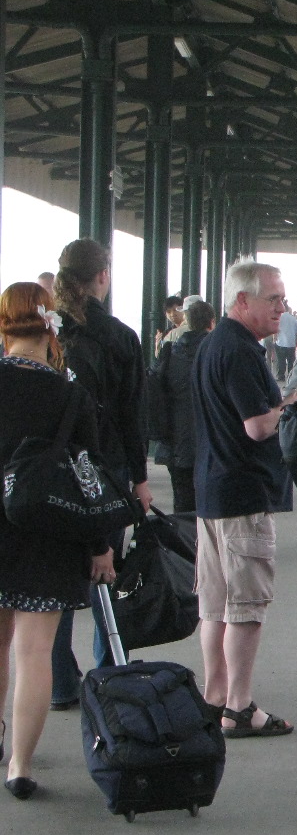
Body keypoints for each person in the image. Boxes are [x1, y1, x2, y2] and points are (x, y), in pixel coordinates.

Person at [0, 283, 117, 799]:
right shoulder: (70, 394)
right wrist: (100, 545)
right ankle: (20, 768)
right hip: (50, 532)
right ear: (50, 326)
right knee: (34, 652)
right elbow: (89, 476)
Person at [192, 260, 296, 738]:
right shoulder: (243, 352)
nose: (283, 307)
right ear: (242, 302)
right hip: (243, 494)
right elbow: (257, 426)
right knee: (247, 605)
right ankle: (240, 707)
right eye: (272, 299)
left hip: (212, 491)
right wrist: (287, 406)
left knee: (214, 605)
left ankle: (215, 697)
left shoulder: (211, 345)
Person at [49, 239, 154, 710]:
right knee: (106, 570)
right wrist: (139, 477)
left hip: (53, 472)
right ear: (103, 277)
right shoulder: (120, 337)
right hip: (106, 471)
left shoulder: (49, 333)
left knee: (55, 584)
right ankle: (109, 675)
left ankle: (59, 683)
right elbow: (134, 416)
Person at [149, 298, 215, 514]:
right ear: (212, 323)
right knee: (210, 505)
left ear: (186, 320)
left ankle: (186, 544)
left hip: (176, 440)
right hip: (211, 443)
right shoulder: (217, 354)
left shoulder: (170, 351)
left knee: (182, 501)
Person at [272, 303, 297, 383]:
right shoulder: (293, 318)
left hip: (281, 342)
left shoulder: (279, 318)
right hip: (291, 343)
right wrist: (296, 341)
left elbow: (275, 330)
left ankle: (281, 376)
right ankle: (291, 377)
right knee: (291, 361)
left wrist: (274, 338)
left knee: (281, 361)